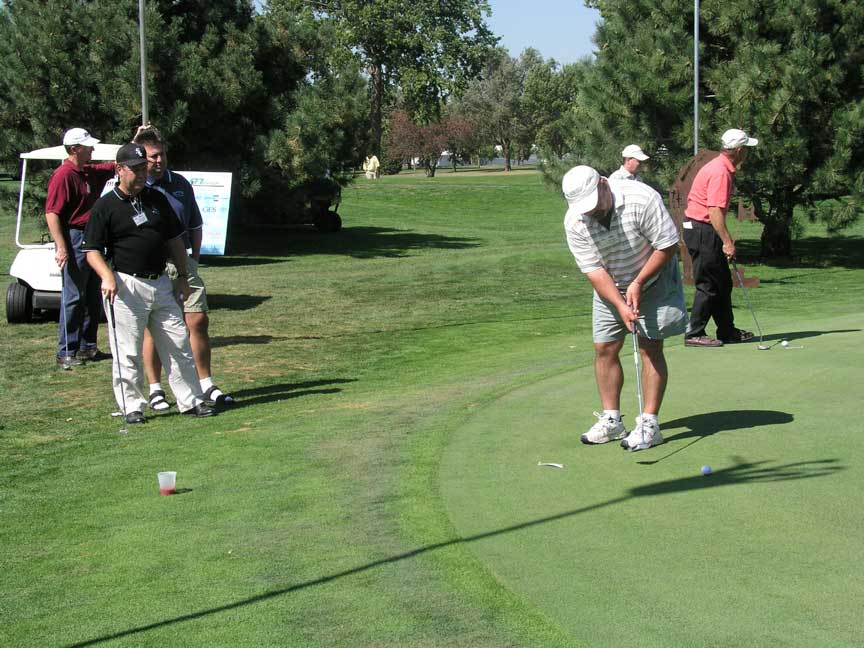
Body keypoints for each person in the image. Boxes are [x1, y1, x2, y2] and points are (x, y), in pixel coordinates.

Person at [82, 143, 216, 424]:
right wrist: (107, 276)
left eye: (144, 168)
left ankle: (191, 401)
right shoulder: (105, 206)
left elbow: (174, 241)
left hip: (162, 283)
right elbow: (91, 249)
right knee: (127, 351)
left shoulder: (156, 199)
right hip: (125, 285)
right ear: (120, 170)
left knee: (178, 343)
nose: (143, 173)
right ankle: (132, 406)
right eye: (136, 169)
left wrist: (182, 276)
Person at [563, 165, 687, 451]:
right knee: (604, 348)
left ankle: (649, 423)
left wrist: (639, 282)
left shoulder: (642, 198)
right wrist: (619, 304)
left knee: (649, 346)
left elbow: (667, 246)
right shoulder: (575, 221)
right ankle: (612, 421)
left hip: (654, 278)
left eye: (594, 205)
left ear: (604, 185)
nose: (591, 212)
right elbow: (593, 269)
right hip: (610, 284)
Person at [132, 127, 233, 410]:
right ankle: (155, 388)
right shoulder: (137, 186)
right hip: (151, 263)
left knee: (197, 320)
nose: (158, 161)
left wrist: (194, 259)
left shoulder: (180, 183)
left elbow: (195, 224)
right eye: (152, 157)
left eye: (161, 155)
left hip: (182, 261)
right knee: (155, 326)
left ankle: (205, 384)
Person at [44, 128, 115, 367]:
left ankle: (87, 347)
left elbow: (118, 164)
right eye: (87, 146)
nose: (92, 149)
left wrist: (138, 139)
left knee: (93, 294)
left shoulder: (87, 172)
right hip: (75, 238)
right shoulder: (64, 175)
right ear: (74, 149)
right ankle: (66, 350)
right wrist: (62, 247)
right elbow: (52, 213)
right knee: (74, 296)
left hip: (92, 237)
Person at [682, 128, 758, 348]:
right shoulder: (720, 172)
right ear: (740, 150)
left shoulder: (720, 166)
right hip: (702, 229)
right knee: (708, 284)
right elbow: (714, 211)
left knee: (722, 283)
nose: (748, 154)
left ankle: (727, 331)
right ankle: (694, 333)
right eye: (747, 150)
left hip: (701, 228)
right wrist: (728, 242)